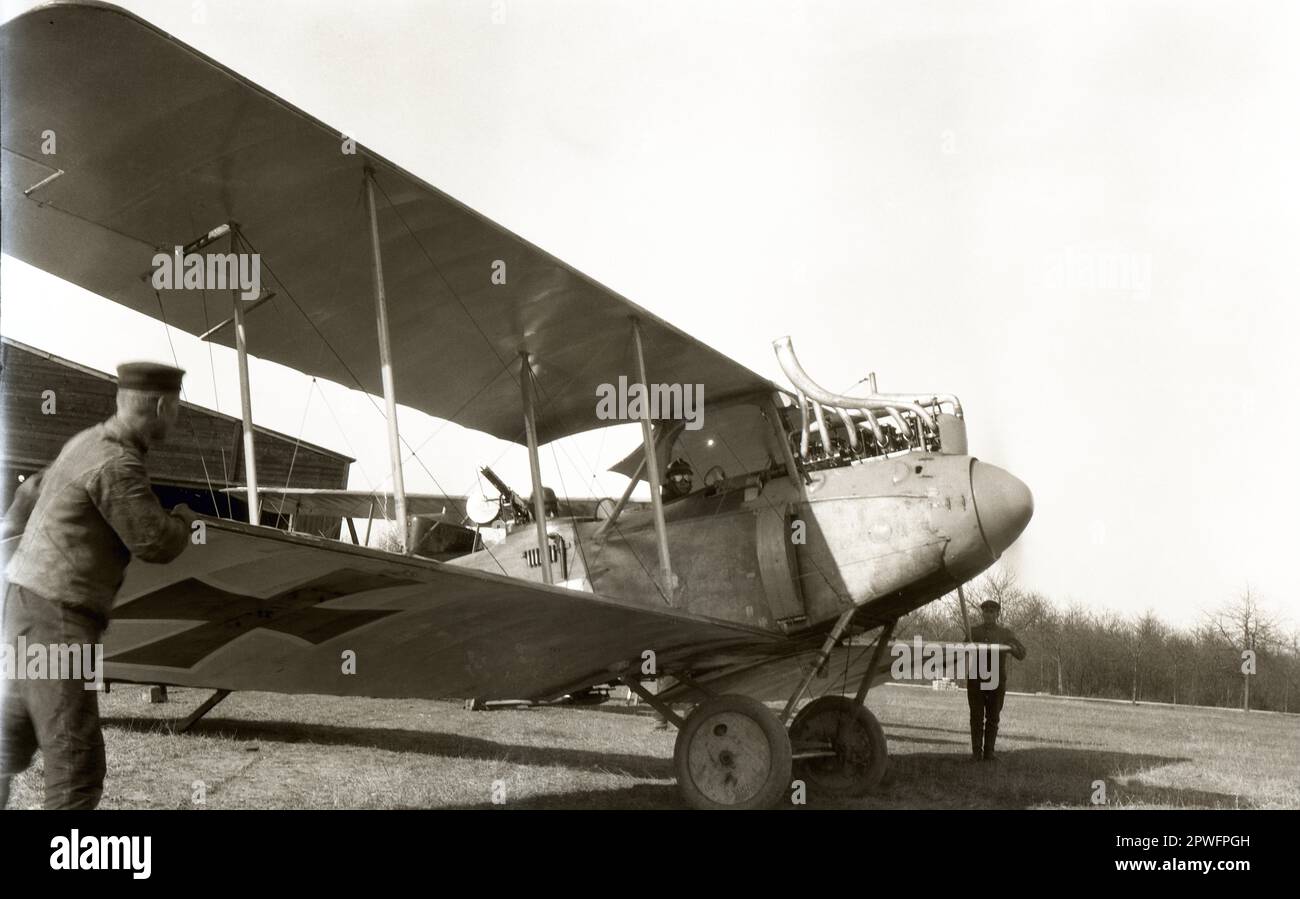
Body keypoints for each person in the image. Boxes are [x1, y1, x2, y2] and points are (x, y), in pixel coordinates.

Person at [0, 362, 195, 809]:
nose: (178, 416)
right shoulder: (118, 462)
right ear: (162, 406)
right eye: (177, 408)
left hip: (23, 605)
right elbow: (154, 541)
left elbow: (30, 490)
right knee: (76, 765)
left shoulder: (84, 443)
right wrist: (185, 520)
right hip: (60, 619)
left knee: (8, 741)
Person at [966, 598, 1026, 762]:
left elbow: (1022, 653)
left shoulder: (1005, 633)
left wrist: (1012, 648)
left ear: (997, 614)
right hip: (976, 681)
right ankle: (976, 753)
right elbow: (959, 652)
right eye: (985, 611)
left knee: (993, 718)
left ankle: (989, 753)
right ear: (982, 613)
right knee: (976, 717)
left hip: (996, 681)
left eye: (992, 612)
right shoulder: (973, 632)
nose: (988, 615)